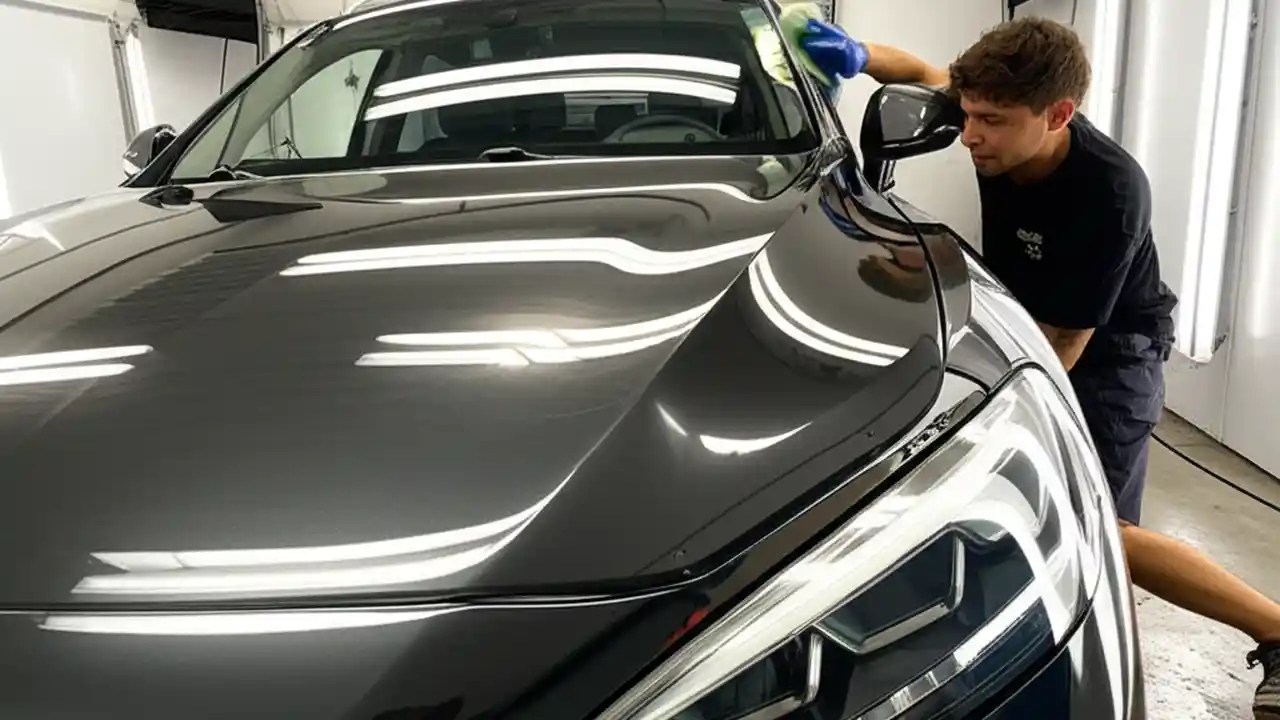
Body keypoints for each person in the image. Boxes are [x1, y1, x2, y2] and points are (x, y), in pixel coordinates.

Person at [797, 15, 1280, 719]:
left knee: (1097, 529)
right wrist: (857, 52)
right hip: (1037, 321)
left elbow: (1063, 351)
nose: (969, 136)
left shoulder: (1109, 192)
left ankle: (1270, 627)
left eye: (990, 121)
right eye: (968, 114)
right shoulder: (990, 123)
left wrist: (976, 426)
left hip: (1112, 352)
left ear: (1058, 114)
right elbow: (921, 72)